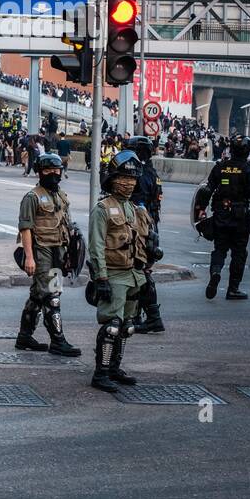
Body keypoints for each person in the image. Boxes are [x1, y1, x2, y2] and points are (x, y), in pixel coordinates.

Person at [87, 150, 152, 392]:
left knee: (127, 326)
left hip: (134, 274)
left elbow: (144, 241)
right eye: (123, 179)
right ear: (112, 179)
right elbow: (96, 245)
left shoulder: (136, 209)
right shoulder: (103, 208)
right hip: (113, 274)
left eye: (132, 180)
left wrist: (147, 268)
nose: (128, 184)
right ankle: (100, 372)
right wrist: (101, 277)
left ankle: (114, 368)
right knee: (112, 325)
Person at [14, 154, 82, 357]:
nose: (53, 174)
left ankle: (24, 337)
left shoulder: (61, 196)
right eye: (48, 171)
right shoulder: (32, 197)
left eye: (57, 170)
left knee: (37, 296)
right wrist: (29, 257)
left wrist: (71, 254)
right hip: (41, 252)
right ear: (39, 172)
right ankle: (58, 341)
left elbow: (67, 226)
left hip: (58, 252)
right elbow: (25, 229)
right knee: (52, 296)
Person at [193, 135, 250, 301]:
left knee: (219, 249)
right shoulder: (249, 171)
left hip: (220, 215)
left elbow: (206, 190)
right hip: (241, 219)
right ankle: (233, 289)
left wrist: (200, 210)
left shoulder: (220, 167)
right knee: (239, 253)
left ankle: (215, 272)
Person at [125, 136, 165, 332]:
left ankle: (152, 317)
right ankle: (140, 316)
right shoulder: (152, 172)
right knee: (140, 270)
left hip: (141, 229)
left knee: (140, 271)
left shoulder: (139, 175)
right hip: (150, 226)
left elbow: (135, 205)